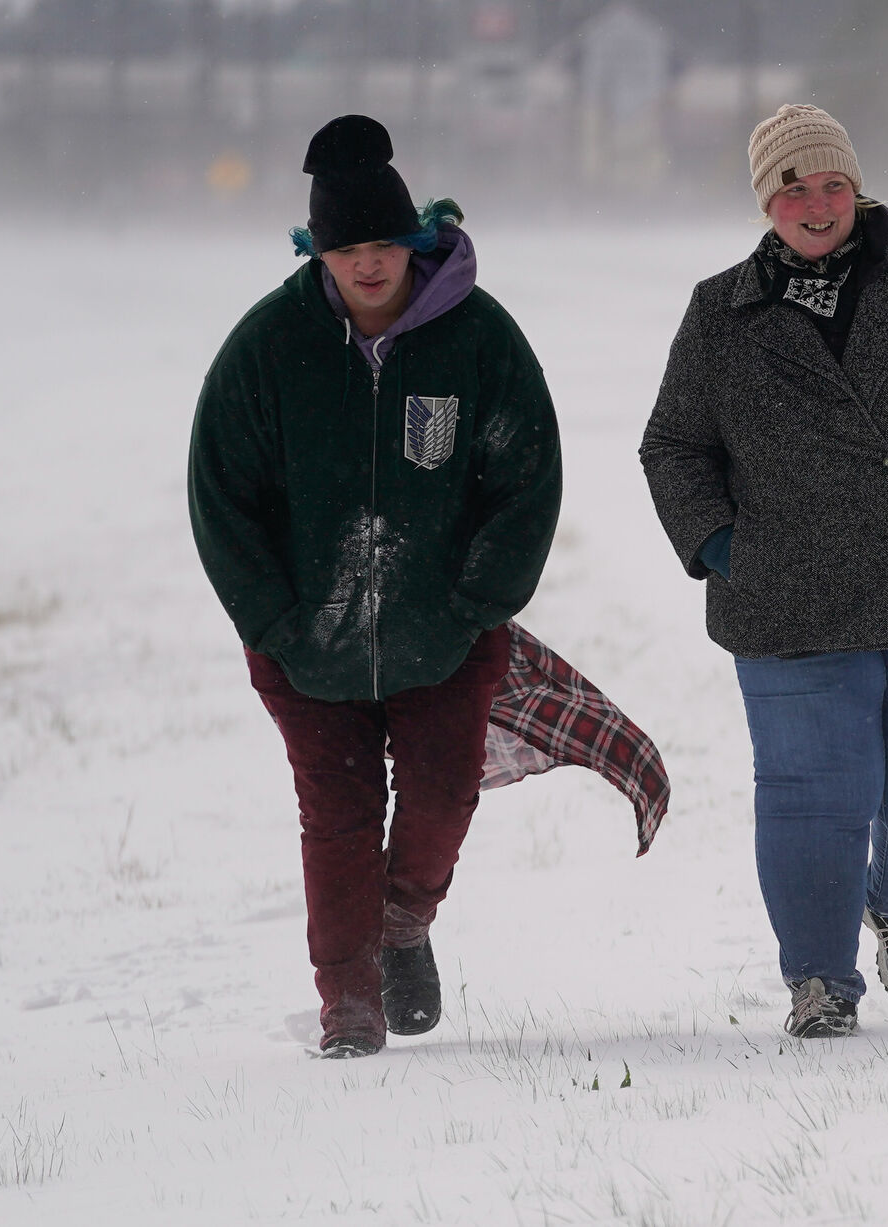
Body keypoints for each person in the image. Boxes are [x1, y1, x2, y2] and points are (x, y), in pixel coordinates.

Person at [641, 104, 888, 1038]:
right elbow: (674, 445)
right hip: (786, 595)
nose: (816, 205)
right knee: (812, 794)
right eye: (794, 190)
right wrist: (719, 544)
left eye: (832, 185)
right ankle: (820, 981)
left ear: (856, 190)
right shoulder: (721, 312)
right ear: (766, 204)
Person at [189, 115, 563, 1057]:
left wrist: (477, 603)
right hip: (304, 644)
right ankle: (348, 1003)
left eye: (384, 243)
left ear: (414, 238)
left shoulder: (477, 338)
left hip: (446, 635)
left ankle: (404, 920)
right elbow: (220, 493)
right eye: (346, 247)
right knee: (338, 820)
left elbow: (527, 475)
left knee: (442, 798)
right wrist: (274, 620)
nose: (368, 263)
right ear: (317, 250)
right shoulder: (269, 346)